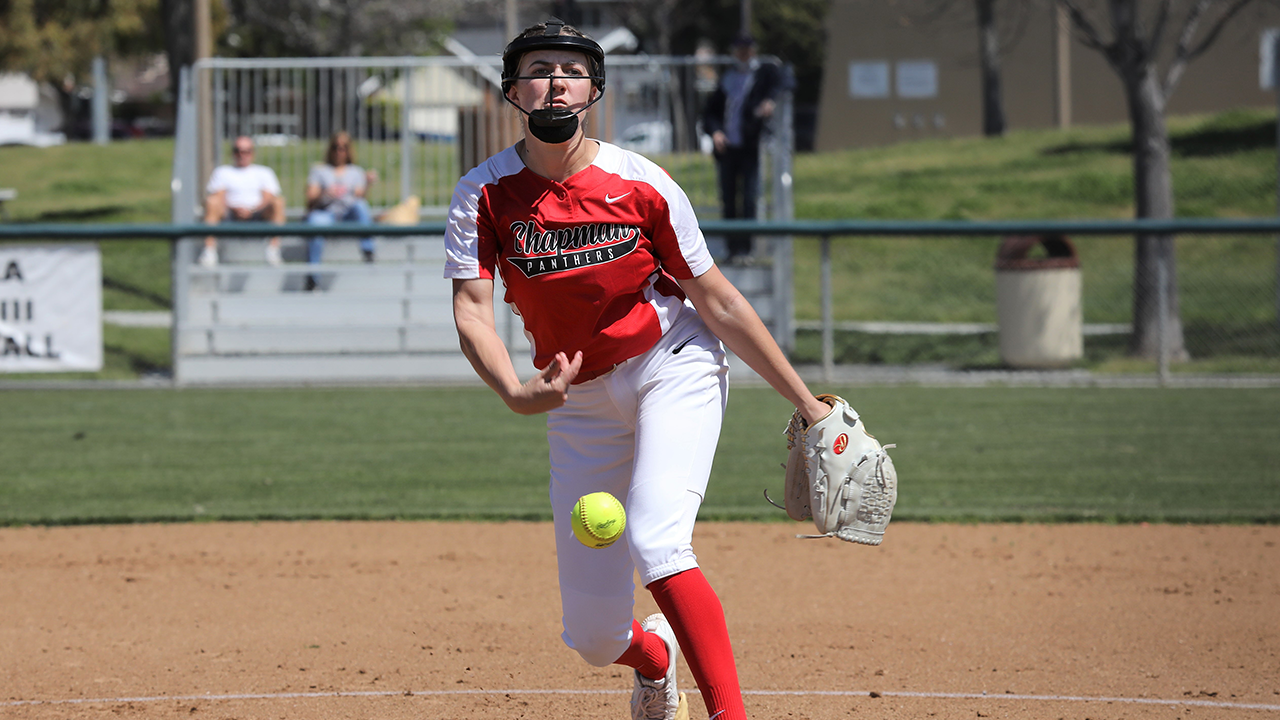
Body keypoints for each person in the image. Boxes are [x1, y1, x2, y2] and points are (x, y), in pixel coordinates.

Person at [444, 20, 829, 720]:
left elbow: (718, 299)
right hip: (578, 401)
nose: (555, 81)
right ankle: (654, 661)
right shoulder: (484, 192)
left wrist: (809, 403)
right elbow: (472, 309)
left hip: (670, 363)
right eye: (539, 68)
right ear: (512, 89)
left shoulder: (642, 182)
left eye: (572, 70)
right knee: (594, 639)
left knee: (657, 540)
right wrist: (514, 391)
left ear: (594, 90)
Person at [702, 33, 786, 265]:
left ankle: (746, 250)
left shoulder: (763, 73)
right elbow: (710, 113)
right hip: (727, 149)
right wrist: (716, 132)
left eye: (747, 50)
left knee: (749, 199)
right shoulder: (727, 79)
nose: (743, 54)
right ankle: (732, 249)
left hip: (749, 147)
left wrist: (769, 100)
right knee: (728, 200)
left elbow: (783, 81)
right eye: (739, 50)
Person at [200, 135, 285, 268]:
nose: (242, 155)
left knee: (278, 202)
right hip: (229, 214)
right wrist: (235, 209)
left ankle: (273, 250)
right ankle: (209, 251)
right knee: (212, 202)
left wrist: (251, 210)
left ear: (253, 153)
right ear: (233, 153)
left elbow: (268, 197)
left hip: (258, 214)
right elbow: (219, 196)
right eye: (238, 151)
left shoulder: (264, 172)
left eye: (246, 151)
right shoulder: (222, 172)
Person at [305, 131, 378, 265]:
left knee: (361, 206)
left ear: (348, 150)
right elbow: (310, 197)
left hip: (347, 214)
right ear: (330, 149)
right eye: (335, 147)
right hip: (326, 213)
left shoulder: (355, 171)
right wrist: (325, 193)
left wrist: (367, 183)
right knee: (315, 221)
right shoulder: (319, 170)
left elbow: (360, 197)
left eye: (343, 148)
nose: (339, 151)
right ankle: (313, 272)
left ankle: (368, 251)